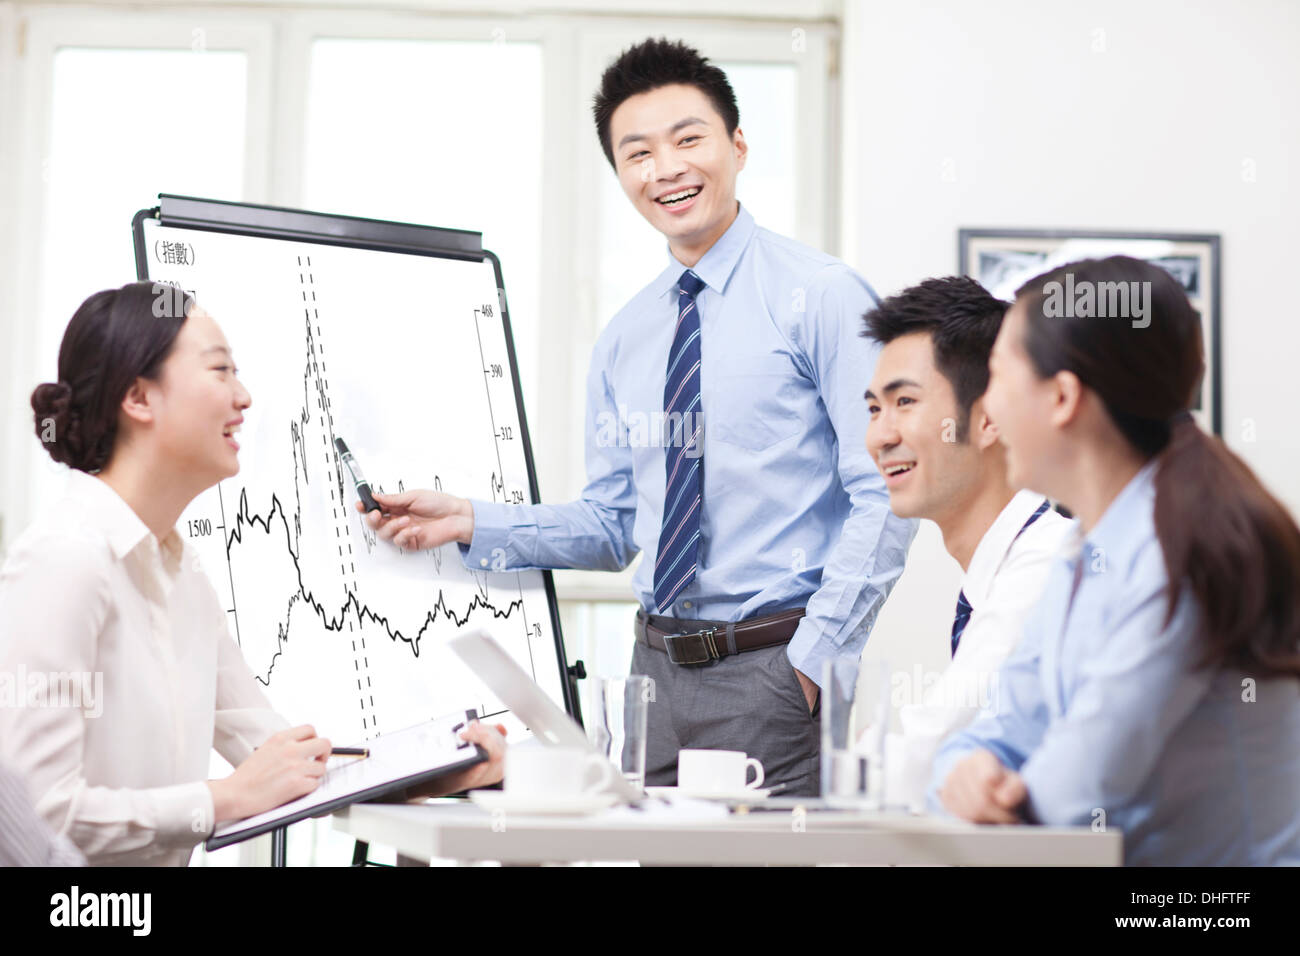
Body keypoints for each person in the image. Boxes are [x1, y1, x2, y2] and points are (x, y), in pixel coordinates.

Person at [361, 38, 915, 795]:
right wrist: (469, 521)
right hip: (651, 677)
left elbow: (885, 491)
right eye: (639, 153)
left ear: (738, 145)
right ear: (622, 174)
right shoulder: (626, 338)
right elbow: (616, 524)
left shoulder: (823, 297)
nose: (667, 168)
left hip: (774, 672)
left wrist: (813, 663)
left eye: (689, 139)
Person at [0, 281, 505, 866]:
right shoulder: (65, 562)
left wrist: (436, 771)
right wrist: (223, 800)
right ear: (138, 398)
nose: (243, 397)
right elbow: (37, 813)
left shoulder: (181, 573)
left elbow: (278, 753)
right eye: (220, 371)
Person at [930, 256, 1300, 865]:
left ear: (1063, 397)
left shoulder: (1178, 556)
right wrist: (964, 770)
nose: (985, 410)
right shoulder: (1084, 549)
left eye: (997, 376)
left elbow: (1077, 793)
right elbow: (995, 730)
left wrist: (991, 789)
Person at [861, 277, 1073, 804]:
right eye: (873, 409)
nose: (880, 436)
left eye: (904, 401)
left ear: (987, 420)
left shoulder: (1048, 563)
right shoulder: (1000, 570)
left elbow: (928, 752)